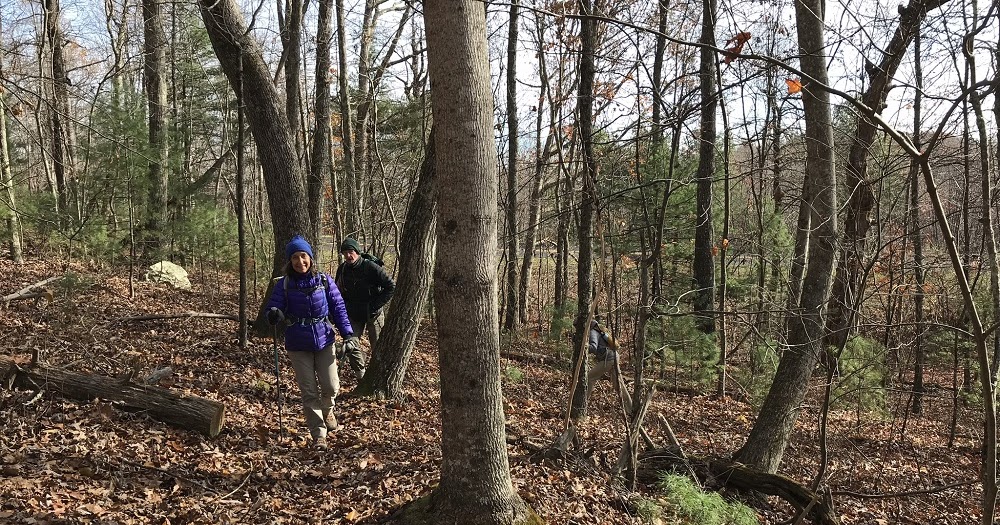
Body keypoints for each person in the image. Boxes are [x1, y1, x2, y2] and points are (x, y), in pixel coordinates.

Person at [265, 235, 360, 449]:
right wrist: (273, 314)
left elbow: (339, 308)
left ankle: (328, 411)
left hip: (325, 340)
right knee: (309, 392)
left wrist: (348, 334)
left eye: (303, 256)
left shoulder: (325, 281)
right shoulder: (285, 285)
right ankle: (319, 435)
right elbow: (273, 307)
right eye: (295, 258)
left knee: (331, 386)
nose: (300, 262)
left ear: (311, 257)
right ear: (290, 261)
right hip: (298, 344)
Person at [334, 237, 395, 380]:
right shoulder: (342, 269)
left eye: (351, 252)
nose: (348, 256)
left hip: (374, 313)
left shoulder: (371, 267)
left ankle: (380, 378)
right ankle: (362, 376)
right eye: (345, 253)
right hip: (354, 313)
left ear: (357, 252)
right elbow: (336, 292)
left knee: (378, 348)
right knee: (349, 344)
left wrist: (374, 306)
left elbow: (391, 287)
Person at [586, 316, 620, 403]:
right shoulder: (598, 330)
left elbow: (593, 347)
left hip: (608, 359)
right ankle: (629, 408)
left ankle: (583, 403)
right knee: (618, 384)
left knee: (589, 378)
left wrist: (583, 346)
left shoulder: (593, 332)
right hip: (614, 356)